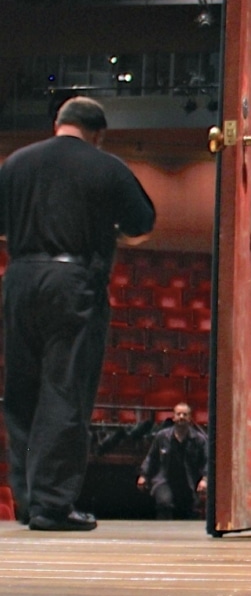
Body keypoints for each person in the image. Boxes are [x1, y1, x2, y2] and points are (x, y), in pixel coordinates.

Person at [0, 96, 155, 531]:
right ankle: (52, 504)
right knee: (64, 390)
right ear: (98, 134)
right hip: (73, 282)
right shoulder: (106, 166)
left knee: (21, 393)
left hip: (19, 277)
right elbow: (142, 225)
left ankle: (28, 501)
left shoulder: (15, 163)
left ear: (58, 123)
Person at [137, 402, 208, 520]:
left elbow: (208, 461)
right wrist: (143, 475)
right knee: (164, 503)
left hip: (189, 481)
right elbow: (151, 457)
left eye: (185, 414)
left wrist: (205, 480)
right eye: (178, 414)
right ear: (173, 417)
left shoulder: (199, 439)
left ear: (190, 418)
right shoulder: (162, 436)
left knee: (190, 509)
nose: (181, 417)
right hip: (165, 479)